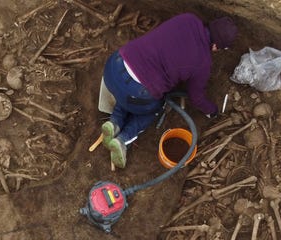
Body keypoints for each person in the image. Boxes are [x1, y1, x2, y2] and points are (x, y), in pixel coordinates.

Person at [98, 13, 238, 168]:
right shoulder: (203, 63)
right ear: (216, 46)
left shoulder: (188, 19)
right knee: (154, 107)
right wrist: (212, 111)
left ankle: (114, 123)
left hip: (114, 65)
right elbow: (196, 97)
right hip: (137, 92)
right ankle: (122, 139)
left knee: (126, 93)